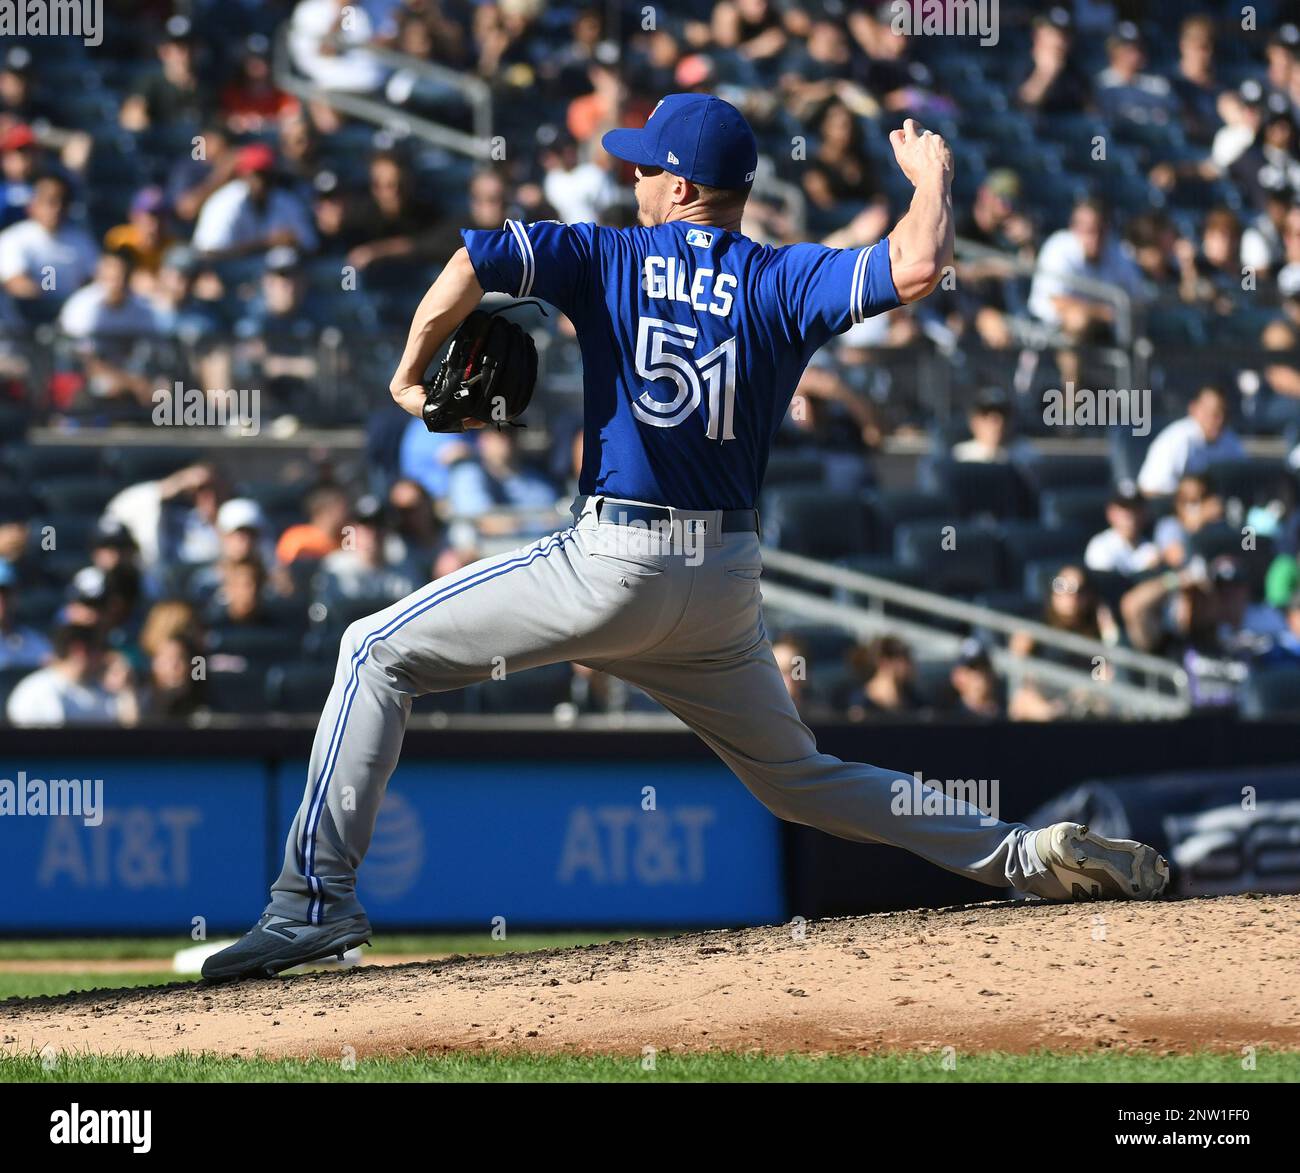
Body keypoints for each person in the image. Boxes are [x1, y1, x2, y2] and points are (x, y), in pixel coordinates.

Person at [203, 97, 1168, 982]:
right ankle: (1023, 855)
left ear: (680, 186)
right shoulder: (782, 277)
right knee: (801, 780)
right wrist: (933, 182)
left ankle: (311, 904)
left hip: (612, 562)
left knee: (372, 650)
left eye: (641, 168)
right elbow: (917, 265)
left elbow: (474, 260)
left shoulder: (607, 255)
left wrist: (411, 376)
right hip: (722, 584)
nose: (630, 180)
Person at [6, 623, 138, 727]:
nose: (104, 657)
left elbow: (130, 735)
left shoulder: (105, 688)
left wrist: (126, 690)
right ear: (78, 651)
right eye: (99, 649)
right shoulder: (38, 690)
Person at [1137, 385, 1245, 496]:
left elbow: (1243, 480)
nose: (1220, 420)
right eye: (1214, 413)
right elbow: (1149, 490)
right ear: (1194, 409)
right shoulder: (1177, 439)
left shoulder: (1230, 439)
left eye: (1225, 413)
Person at [1085, 492, 1160, 576]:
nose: (1131, 516)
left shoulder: (1151, 547)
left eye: (1135, 509)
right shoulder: (1100, 546)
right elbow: (1106, 584)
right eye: (1124, 510)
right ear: (1111, 513)